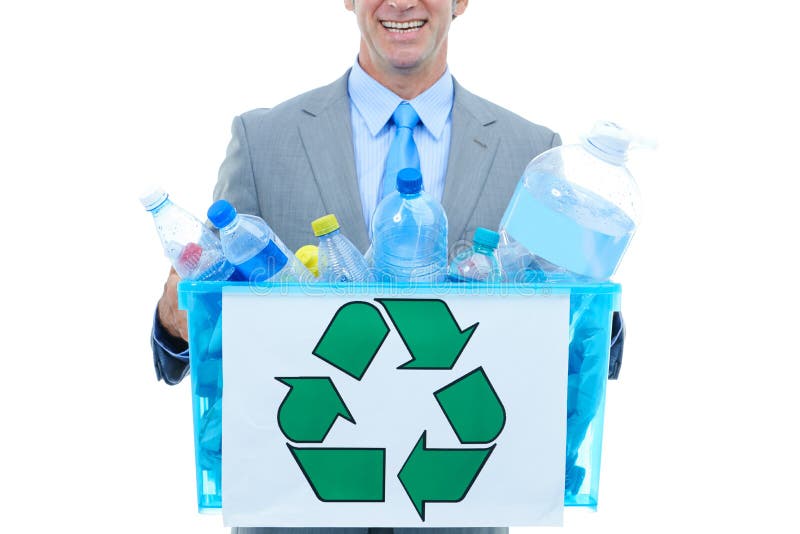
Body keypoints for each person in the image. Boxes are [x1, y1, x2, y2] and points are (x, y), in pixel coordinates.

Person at [152, 1, 564, 532]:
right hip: (294, 510)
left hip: (455, 508)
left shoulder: (532, 153)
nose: (401, 2)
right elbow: (208, 330)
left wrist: (593, 313)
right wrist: (176, 320)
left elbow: (571, 338)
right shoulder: (262, 141)